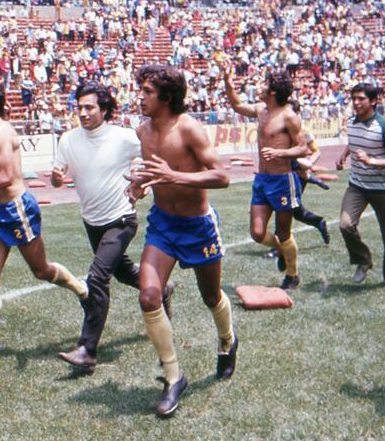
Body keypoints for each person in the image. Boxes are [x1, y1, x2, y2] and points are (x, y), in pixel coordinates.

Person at [128, 65, 236, 418]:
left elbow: (222, 176)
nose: (140, 96)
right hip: (162, 225)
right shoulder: (143, 131)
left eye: (147, 91)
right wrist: (138, 186)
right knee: (148, 296)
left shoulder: (188, 127)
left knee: (211, 296)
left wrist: (175, 175)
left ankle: (227, 340)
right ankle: (174, 377)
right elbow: (150, 175)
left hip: (198, 227)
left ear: (167, 96)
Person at [0, 80, 87, 365]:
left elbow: (8, 177)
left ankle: (82, 290)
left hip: (17, 210)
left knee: (40, 270)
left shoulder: (0, 133)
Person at [51, 82, 174, 372]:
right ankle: (163, 289)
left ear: (104, 110)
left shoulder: (124, 137)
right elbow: (58, 177)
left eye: (89, 107)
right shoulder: (68, 139)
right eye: (79, 107)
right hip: (92, 221)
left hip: (121, 219)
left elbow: (152, 159)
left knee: (97, 277)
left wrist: (141, 184)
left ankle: (88, 350)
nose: (82, 113)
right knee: (122, 272)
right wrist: (56, 177)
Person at [222, 66, 309, 290]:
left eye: (264, 83)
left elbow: (303, 149)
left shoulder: (289, 117)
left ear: (272, 91)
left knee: (283, 232)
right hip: (262, 179)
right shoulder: (261, 110)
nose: (259, 86)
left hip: (283, 180)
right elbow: (237, 105)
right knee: (257, 233)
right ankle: (281, 250)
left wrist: (280, 153)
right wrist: (228, 82)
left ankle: (292, 275)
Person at [335, 84, 385, 286]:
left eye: (361, 99)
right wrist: (343, 156)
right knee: (345, 225)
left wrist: (371, 162)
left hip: (383, 189)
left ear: (373, 101)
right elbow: (355, 141)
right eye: (354, 98)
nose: (356, 102)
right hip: (357, 186)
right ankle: (363, 260)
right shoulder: (351, 122)